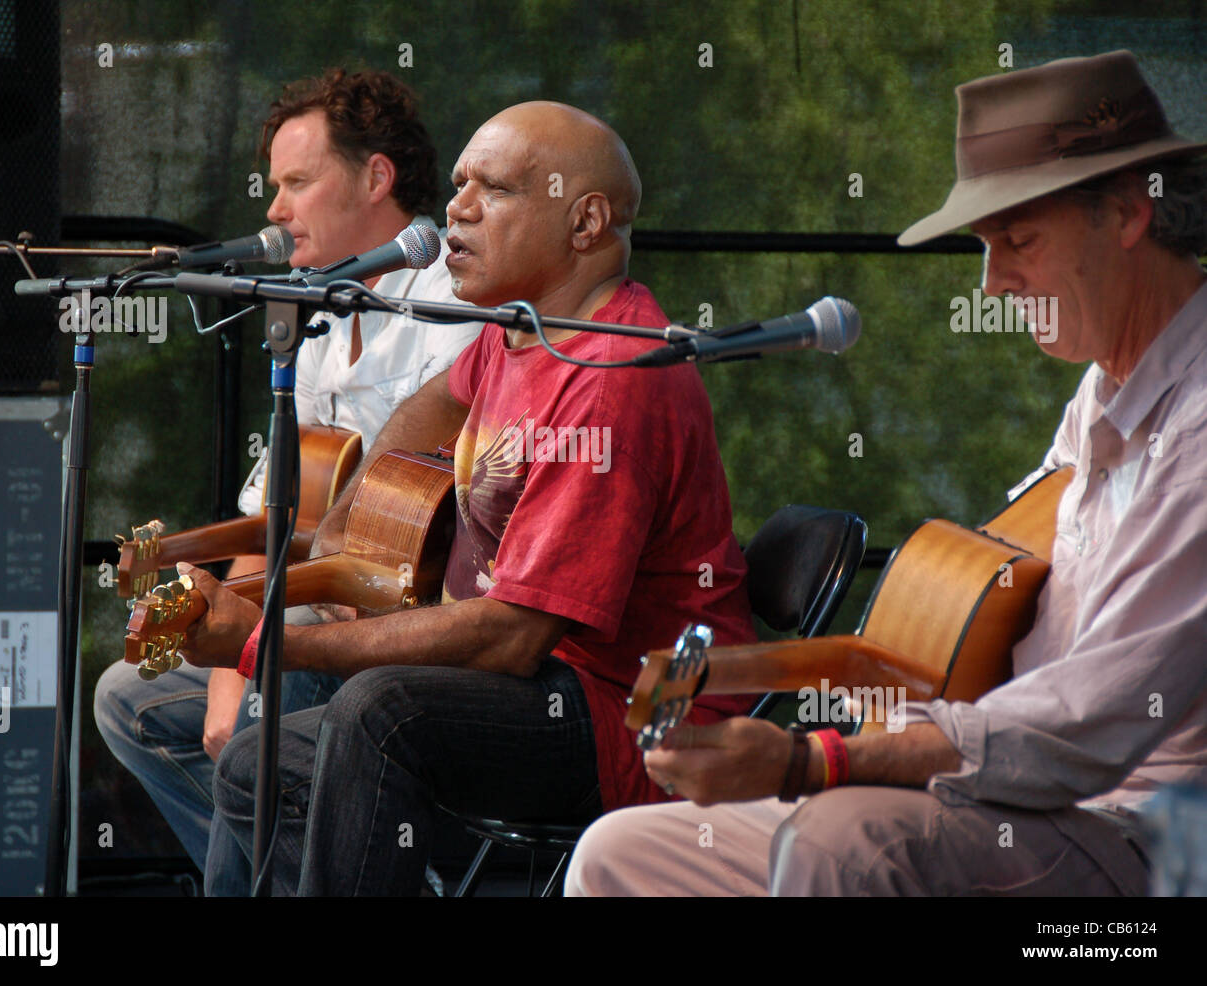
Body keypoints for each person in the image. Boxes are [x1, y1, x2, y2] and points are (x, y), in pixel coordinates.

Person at [565, 49, 1207, 897]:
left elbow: (1087, 724)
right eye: (983, 245)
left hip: (1147, 830)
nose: (991, 279)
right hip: (1015, 792)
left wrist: (812, 756)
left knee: (846, 840)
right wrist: (738, 674)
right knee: (622, 854)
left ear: (1127, 213)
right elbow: (965, 644)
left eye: (1016, 239)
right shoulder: (1103, 394)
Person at [174, 100, 759, 895]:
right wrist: (347, 521)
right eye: (458, 185)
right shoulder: (519, 329)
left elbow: (514, 637)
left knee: (381, 709)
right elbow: (433, 405)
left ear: (586, 221)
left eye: (496, 189)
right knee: (255, 760)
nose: (458, 208)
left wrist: (262, 643)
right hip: (541, 687)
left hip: (632, 717)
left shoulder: (612, 376)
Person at [93, 67, 481, 883]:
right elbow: (281, 511)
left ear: (376, 177)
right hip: (304, 618)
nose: (272, 209)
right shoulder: (311, 317)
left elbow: (427, 547)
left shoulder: (456, 304)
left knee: (271, 721)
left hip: (395, 638)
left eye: (297, 182)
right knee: (128, 694)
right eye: (275, 186)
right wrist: (230, 642)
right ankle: (319, 865)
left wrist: (253, 659)